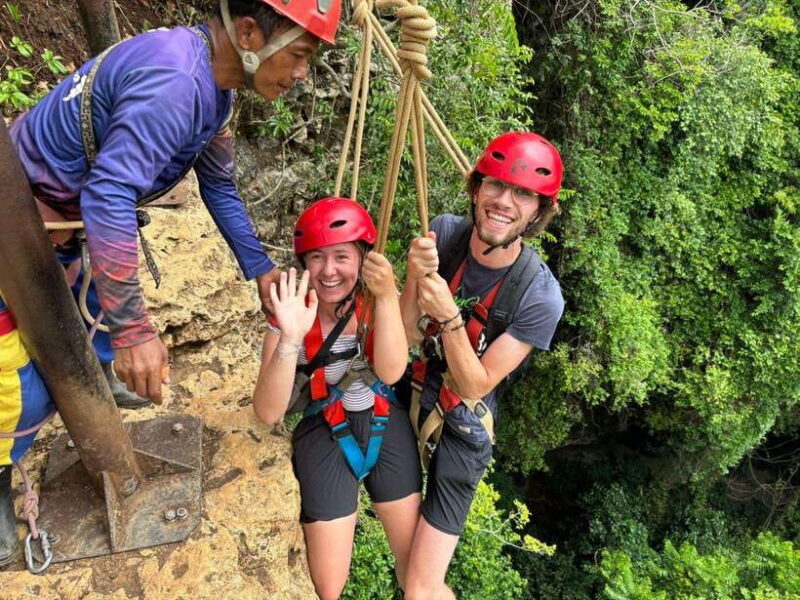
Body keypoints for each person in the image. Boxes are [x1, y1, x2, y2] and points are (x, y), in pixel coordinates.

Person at [7, 0, 341, 407]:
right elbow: (109, 194)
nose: (302, 73)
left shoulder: (214, 91)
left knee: (90, 315)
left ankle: (99, 371)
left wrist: (260, 269)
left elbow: (218, 185)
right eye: (299, 55)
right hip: (20, 220)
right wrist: (133, 331)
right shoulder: (176, 84)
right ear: (249, 33)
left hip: (58, 215)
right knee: (23, 398)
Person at [399, 132, 566, 599]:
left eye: (523, 193)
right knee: (407, 569)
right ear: (476, 189)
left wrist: (451, 317)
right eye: (495, 185)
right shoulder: (444, 234)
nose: (503, 201)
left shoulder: (539, 295)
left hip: (462, 428)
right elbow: (406, 333)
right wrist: (414, 276)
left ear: (537, 212)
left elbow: (475, 384)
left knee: (420, 588)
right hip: (409, 389)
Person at [252, 198, 421, 599]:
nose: (329, 271)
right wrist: (290, 337)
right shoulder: (290, 312)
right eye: (317, 257)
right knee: (329, 586)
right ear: (303, 263)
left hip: (383, 420)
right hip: (323, 429)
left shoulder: (374, 303)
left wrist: (385, 296)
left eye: (342, 256)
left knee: (417, 569)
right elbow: (268, 411)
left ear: (362, 257)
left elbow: (393, 371)